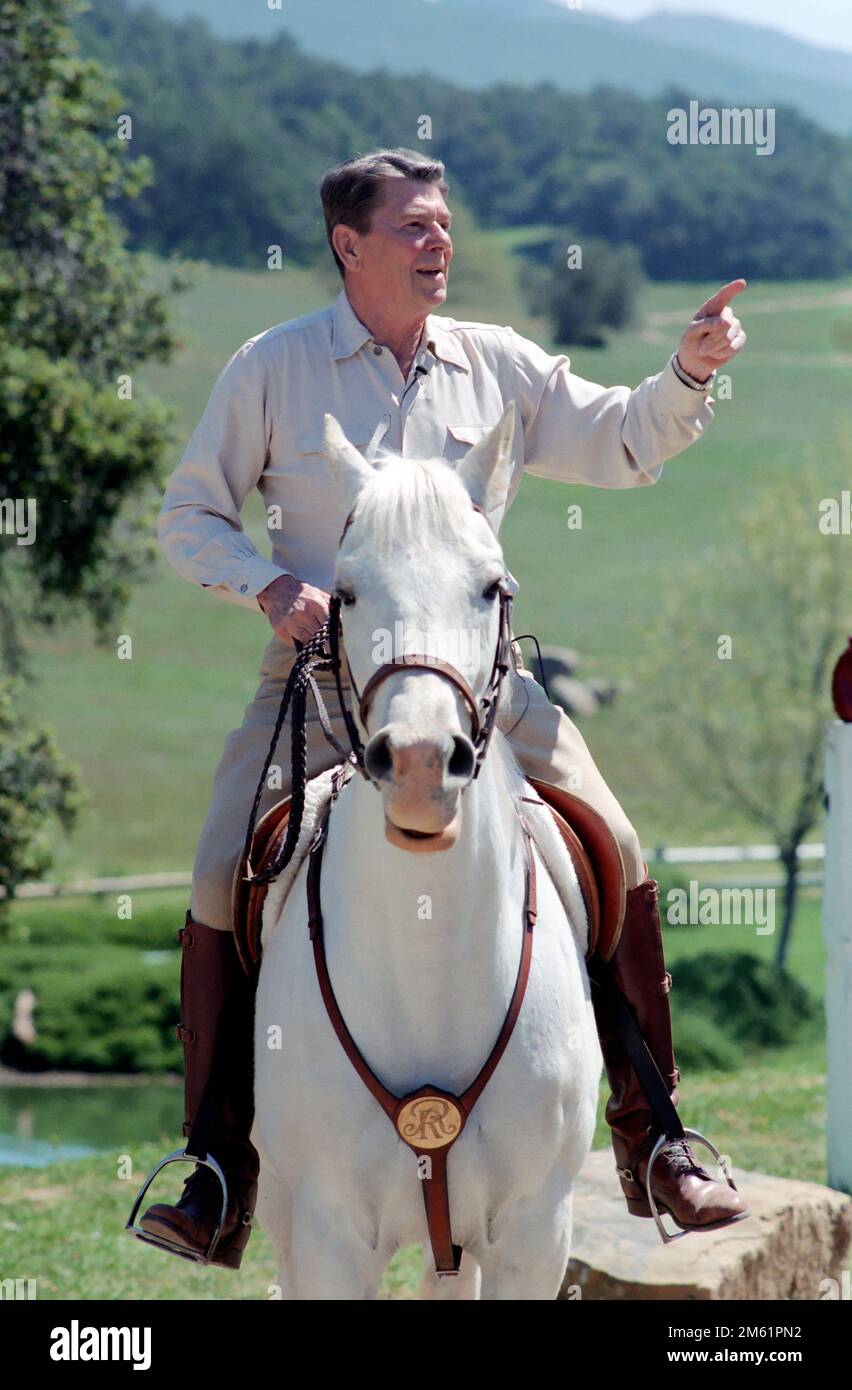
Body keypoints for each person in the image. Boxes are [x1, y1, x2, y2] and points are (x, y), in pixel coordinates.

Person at [138, 148, 748, 1269]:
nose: (440, 244)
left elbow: (621, 437)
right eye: (414, 226)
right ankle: (219, 1162)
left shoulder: (494, 363)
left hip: (485, 690)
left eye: (445, 225)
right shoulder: (274, 368)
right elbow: (188, 515)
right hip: (319, 688)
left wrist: (690, 373)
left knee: (615, 843)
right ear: (348, 245)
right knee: (221, 865)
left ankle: (657, 1139)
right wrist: (270, 585)